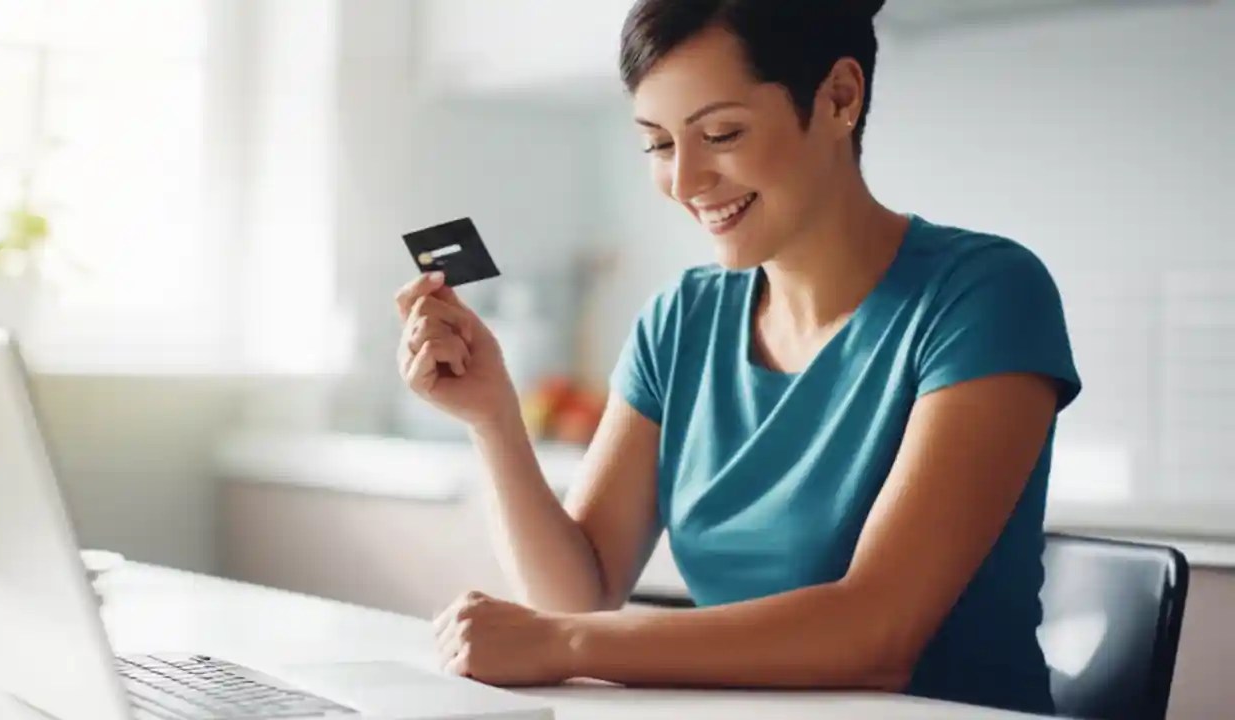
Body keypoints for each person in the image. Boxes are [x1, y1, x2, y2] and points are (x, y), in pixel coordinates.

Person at [394, 0, 1080, 714]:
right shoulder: (680, 321)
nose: (686, 181)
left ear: (840, 97)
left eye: (720, 133)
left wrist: (567, 643)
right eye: (658, 145)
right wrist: (493, 417)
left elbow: (876, 635)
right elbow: (580, 590)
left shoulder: (983, 295)